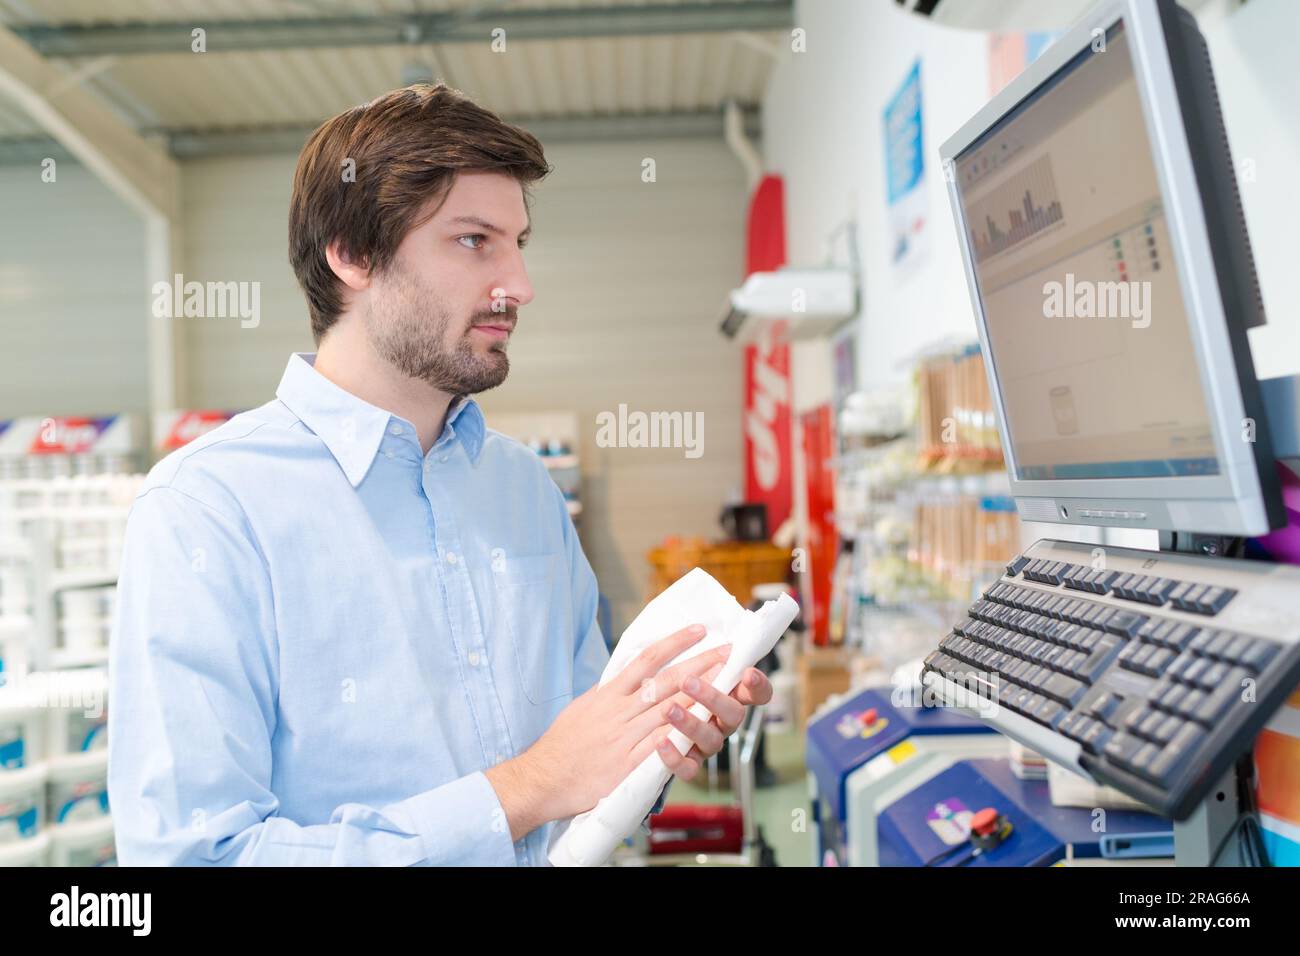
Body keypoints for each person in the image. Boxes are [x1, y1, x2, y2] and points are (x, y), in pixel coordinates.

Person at [107, 83, 772, 866]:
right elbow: (191, 855)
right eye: (473, 241)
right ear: (352, 253)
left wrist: (658, 740)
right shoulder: (208, 511)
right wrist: (525, 787)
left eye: (519, 242)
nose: (518, 284)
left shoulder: (523, 492)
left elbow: (585, 782)